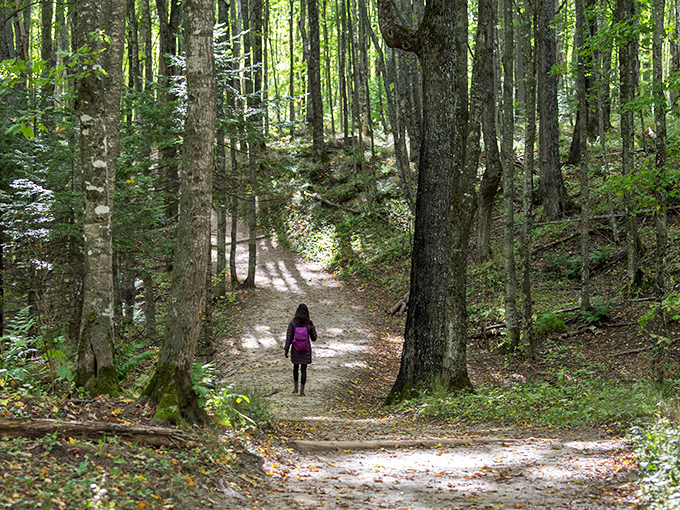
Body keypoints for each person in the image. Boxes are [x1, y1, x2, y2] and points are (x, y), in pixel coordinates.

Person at [284, 303, 317, 396]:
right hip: (305, 349)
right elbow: (314, 338)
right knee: (303, 369)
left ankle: (295, 388)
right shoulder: (309, 323)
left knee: (295, 367)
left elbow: (289, 337)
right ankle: (302, 391)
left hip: (296, 349)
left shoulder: (293, 323)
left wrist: (286, 349)